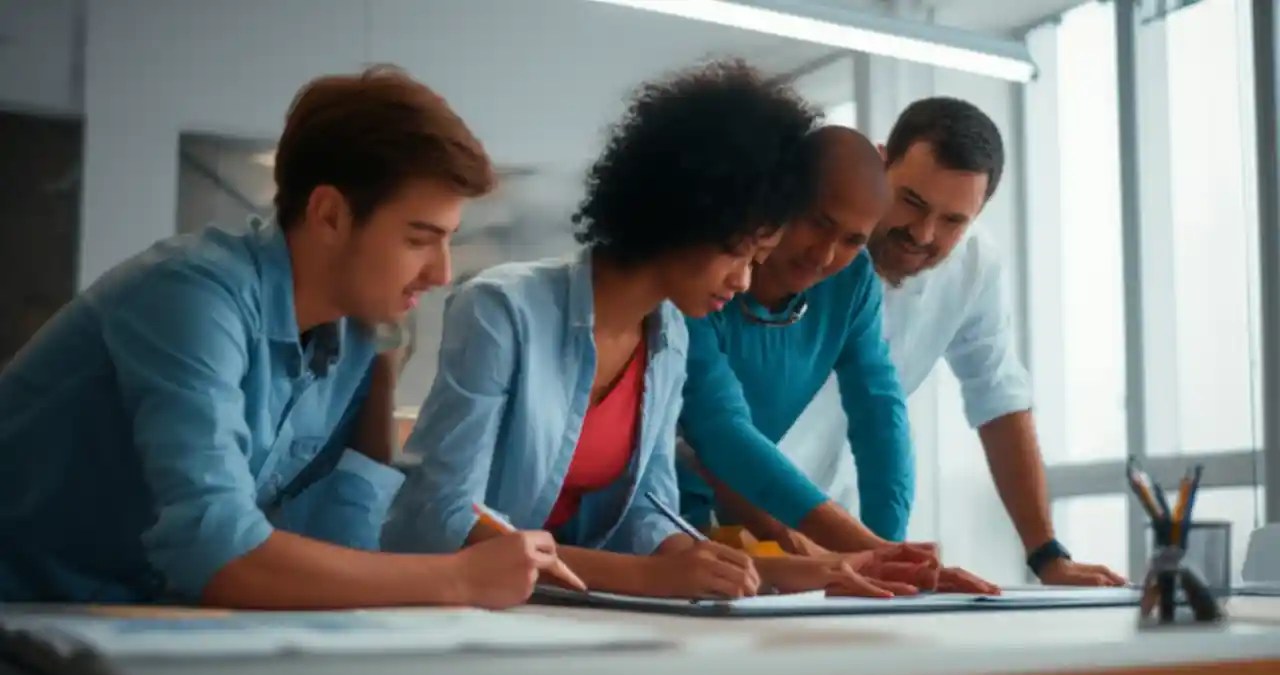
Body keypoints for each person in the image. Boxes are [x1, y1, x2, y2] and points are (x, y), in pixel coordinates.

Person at [0, 66, 562, 609]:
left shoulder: (352, 338)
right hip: (25, 610)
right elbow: (216, 550)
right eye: (420, 239)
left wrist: (379, 388)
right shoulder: (192, 297)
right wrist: (459, 579)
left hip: (117, 622)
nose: (442, 274)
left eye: (449, 242)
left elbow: (335, 551)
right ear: (330, 215)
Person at [382, 61, 931, 599]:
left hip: (557, 615)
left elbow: (647, 512)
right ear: (691, 213)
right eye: (738, 254)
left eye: (758, 257)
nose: (743, 282)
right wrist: (643, 578)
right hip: (452, 615)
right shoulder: (501, 311)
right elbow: (442, 515)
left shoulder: (670, 335)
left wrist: (792, 571)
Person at [694, 98, 1126, 587]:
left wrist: (892, 555)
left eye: (953, 221)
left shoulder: (867, 278)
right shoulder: (711, 275)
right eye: (913, 202)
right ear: (882, 168)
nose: (923, 234)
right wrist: (877, 552)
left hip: (817, 511)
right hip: (704, 504)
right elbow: (717, 432)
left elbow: (888, 412)